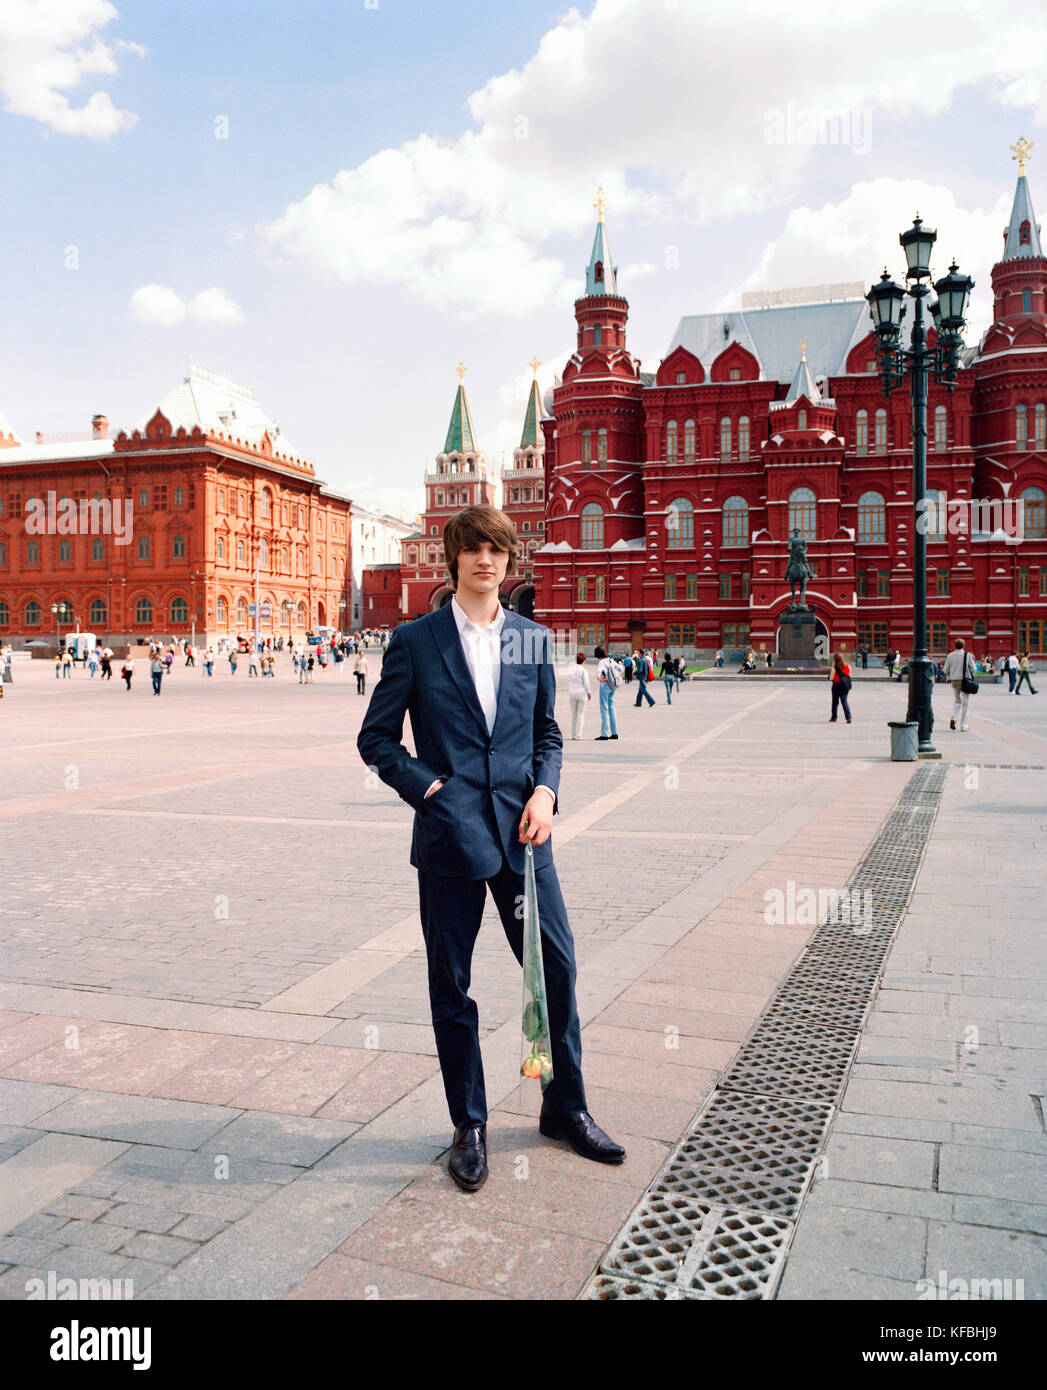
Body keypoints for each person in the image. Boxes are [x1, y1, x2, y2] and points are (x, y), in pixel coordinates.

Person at [357, 504, 624, 1194]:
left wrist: (546, 794)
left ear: (510, 562)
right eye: (473, 549)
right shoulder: (416, 641)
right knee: (453, 985)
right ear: (454, 559)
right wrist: (430, 789)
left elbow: (548, 737)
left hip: (523, 834)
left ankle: (565, 1107)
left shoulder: (530, 640)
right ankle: (468, 1125)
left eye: (496, 551)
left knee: (557, 969)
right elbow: (377, 741)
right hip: (448, 837)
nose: (485, 561)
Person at [942, 638, 974, 731]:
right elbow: (973, 668)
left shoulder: (950, 655)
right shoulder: (967, 655)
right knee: (966, 702)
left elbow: (945, 670)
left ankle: (954, 717)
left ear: (955, 645)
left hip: (954, 680)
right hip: (965, 680)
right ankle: (964, 725)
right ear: (963, 646)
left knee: (957, 700)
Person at [593, 645, 620, 741]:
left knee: (604, 709)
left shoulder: (601, 662)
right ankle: (614, 733)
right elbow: (621, 669)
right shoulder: (610, 660)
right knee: (612, 708)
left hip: (605, 686)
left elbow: (598, 673)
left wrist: (601, 679)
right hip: (613, 686)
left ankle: (604, 733)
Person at [567, 651, 591, 739]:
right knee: (580, 715)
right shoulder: (584, 671)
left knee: (574, 714)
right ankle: (578, 735)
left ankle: (573, 734)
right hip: (581, 693)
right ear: (584, 660)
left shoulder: (571, 669)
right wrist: (589, 693)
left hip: (572, 693)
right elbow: (586, 683)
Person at [828, 651, 852, 724]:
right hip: (845, 686)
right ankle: (848, 717)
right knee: (844, 701)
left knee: (835, 702)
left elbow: (831, 678)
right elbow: (849, 676)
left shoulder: (834, 668)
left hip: (836, 686)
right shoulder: (848, 666)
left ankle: (834, 717)